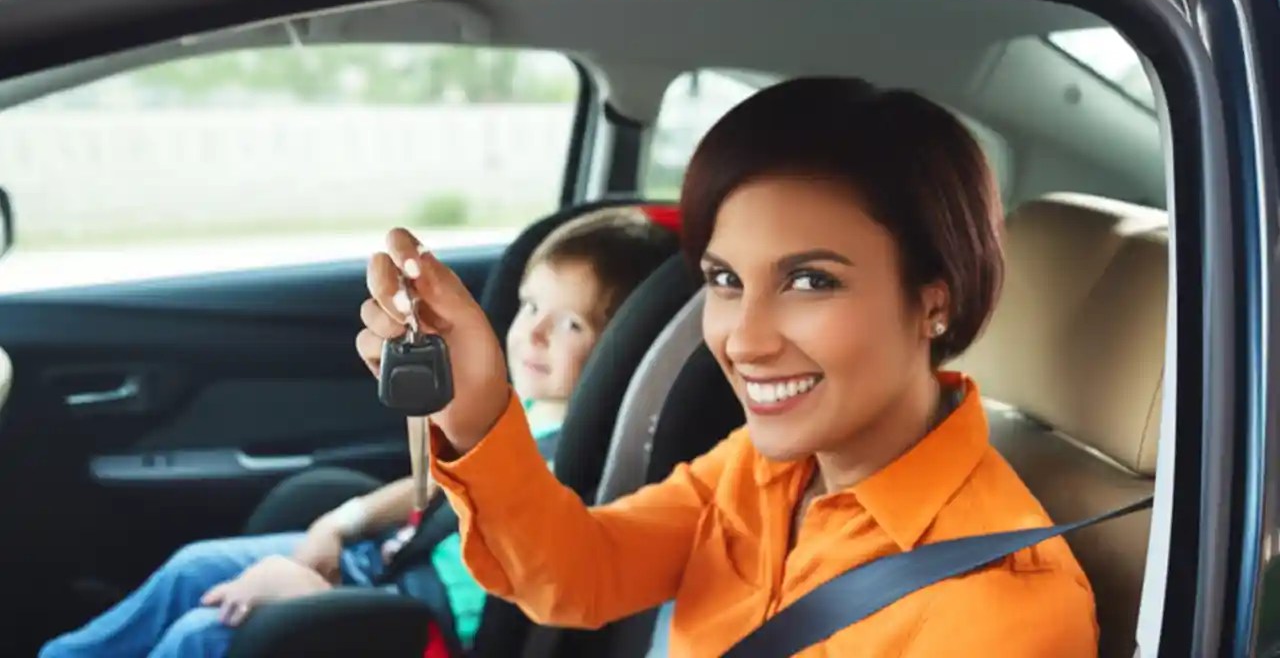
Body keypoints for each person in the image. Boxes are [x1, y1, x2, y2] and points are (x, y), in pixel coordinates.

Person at [358, 78, 1099, 656]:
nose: (743, 341)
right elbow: (578, 573)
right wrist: (477, 403)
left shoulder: (1003, 605)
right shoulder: (764, 467)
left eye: (810, 281)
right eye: (724, 280)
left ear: (933, 301)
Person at [39, 206, 679, 658]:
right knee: (194, 566)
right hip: (389, 562)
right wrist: (342, 522)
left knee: (203, 636)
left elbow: (508, 608)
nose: (533, 333)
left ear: (624, 348)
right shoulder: (521, 414)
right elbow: (435, 491)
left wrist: (314, 590)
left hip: (427, 621)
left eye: (572, 325)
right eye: (532, 306)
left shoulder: (592, 459)